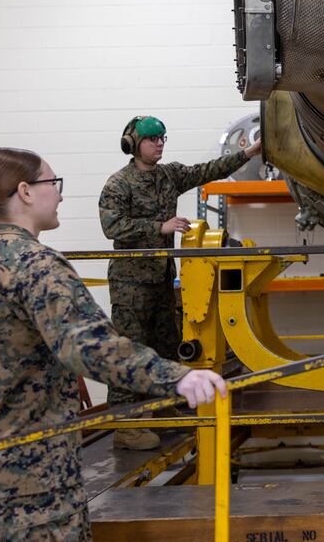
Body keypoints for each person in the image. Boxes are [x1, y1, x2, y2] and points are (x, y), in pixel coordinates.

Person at [0, 147, 228, 542]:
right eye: (53, 183)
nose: (60, 194)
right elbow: (86, 344)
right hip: (24, 496)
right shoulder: (35, 264)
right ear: (25, 192)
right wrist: (175, 377)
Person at [99, 115, 260, 450]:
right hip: (131, 282)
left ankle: (163, 409)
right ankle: (126, 428)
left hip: (161, 277)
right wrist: (159, 227)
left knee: (166, 345)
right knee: (129, 348)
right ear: (133, 144)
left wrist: (249, 153)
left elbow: (208, 170)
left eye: (162, 138)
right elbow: (112, 226)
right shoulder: (119, 184)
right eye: (152, 138)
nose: (159, 143)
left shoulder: (168, 175)